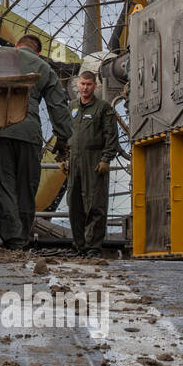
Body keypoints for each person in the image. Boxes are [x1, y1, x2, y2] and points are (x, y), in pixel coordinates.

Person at [0, 34, 73, 250]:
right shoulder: (45, 69)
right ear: (38, 52)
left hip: (0, 130)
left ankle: (12, 240)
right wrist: (63, 139)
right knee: (26, 188)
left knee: (2, 186)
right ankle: (22, 239)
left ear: (16, 45)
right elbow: (59, 109)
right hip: (30, 134)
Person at [62, 69, 121, 256]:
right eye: (82, 84)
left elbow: (111, 136)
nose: (85, 88)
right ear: (77, 85)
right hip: (74, 161)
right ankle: (79, 246)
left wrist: (106, 159)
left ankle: (93, 247)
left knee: (95, 205)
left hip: (94, 161)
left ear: (95, 86)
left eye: (88, 84)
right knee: (75, 204)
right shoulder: (71, 106)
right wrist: (63, 158)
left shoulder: (103, 108)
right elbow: (62, 134)